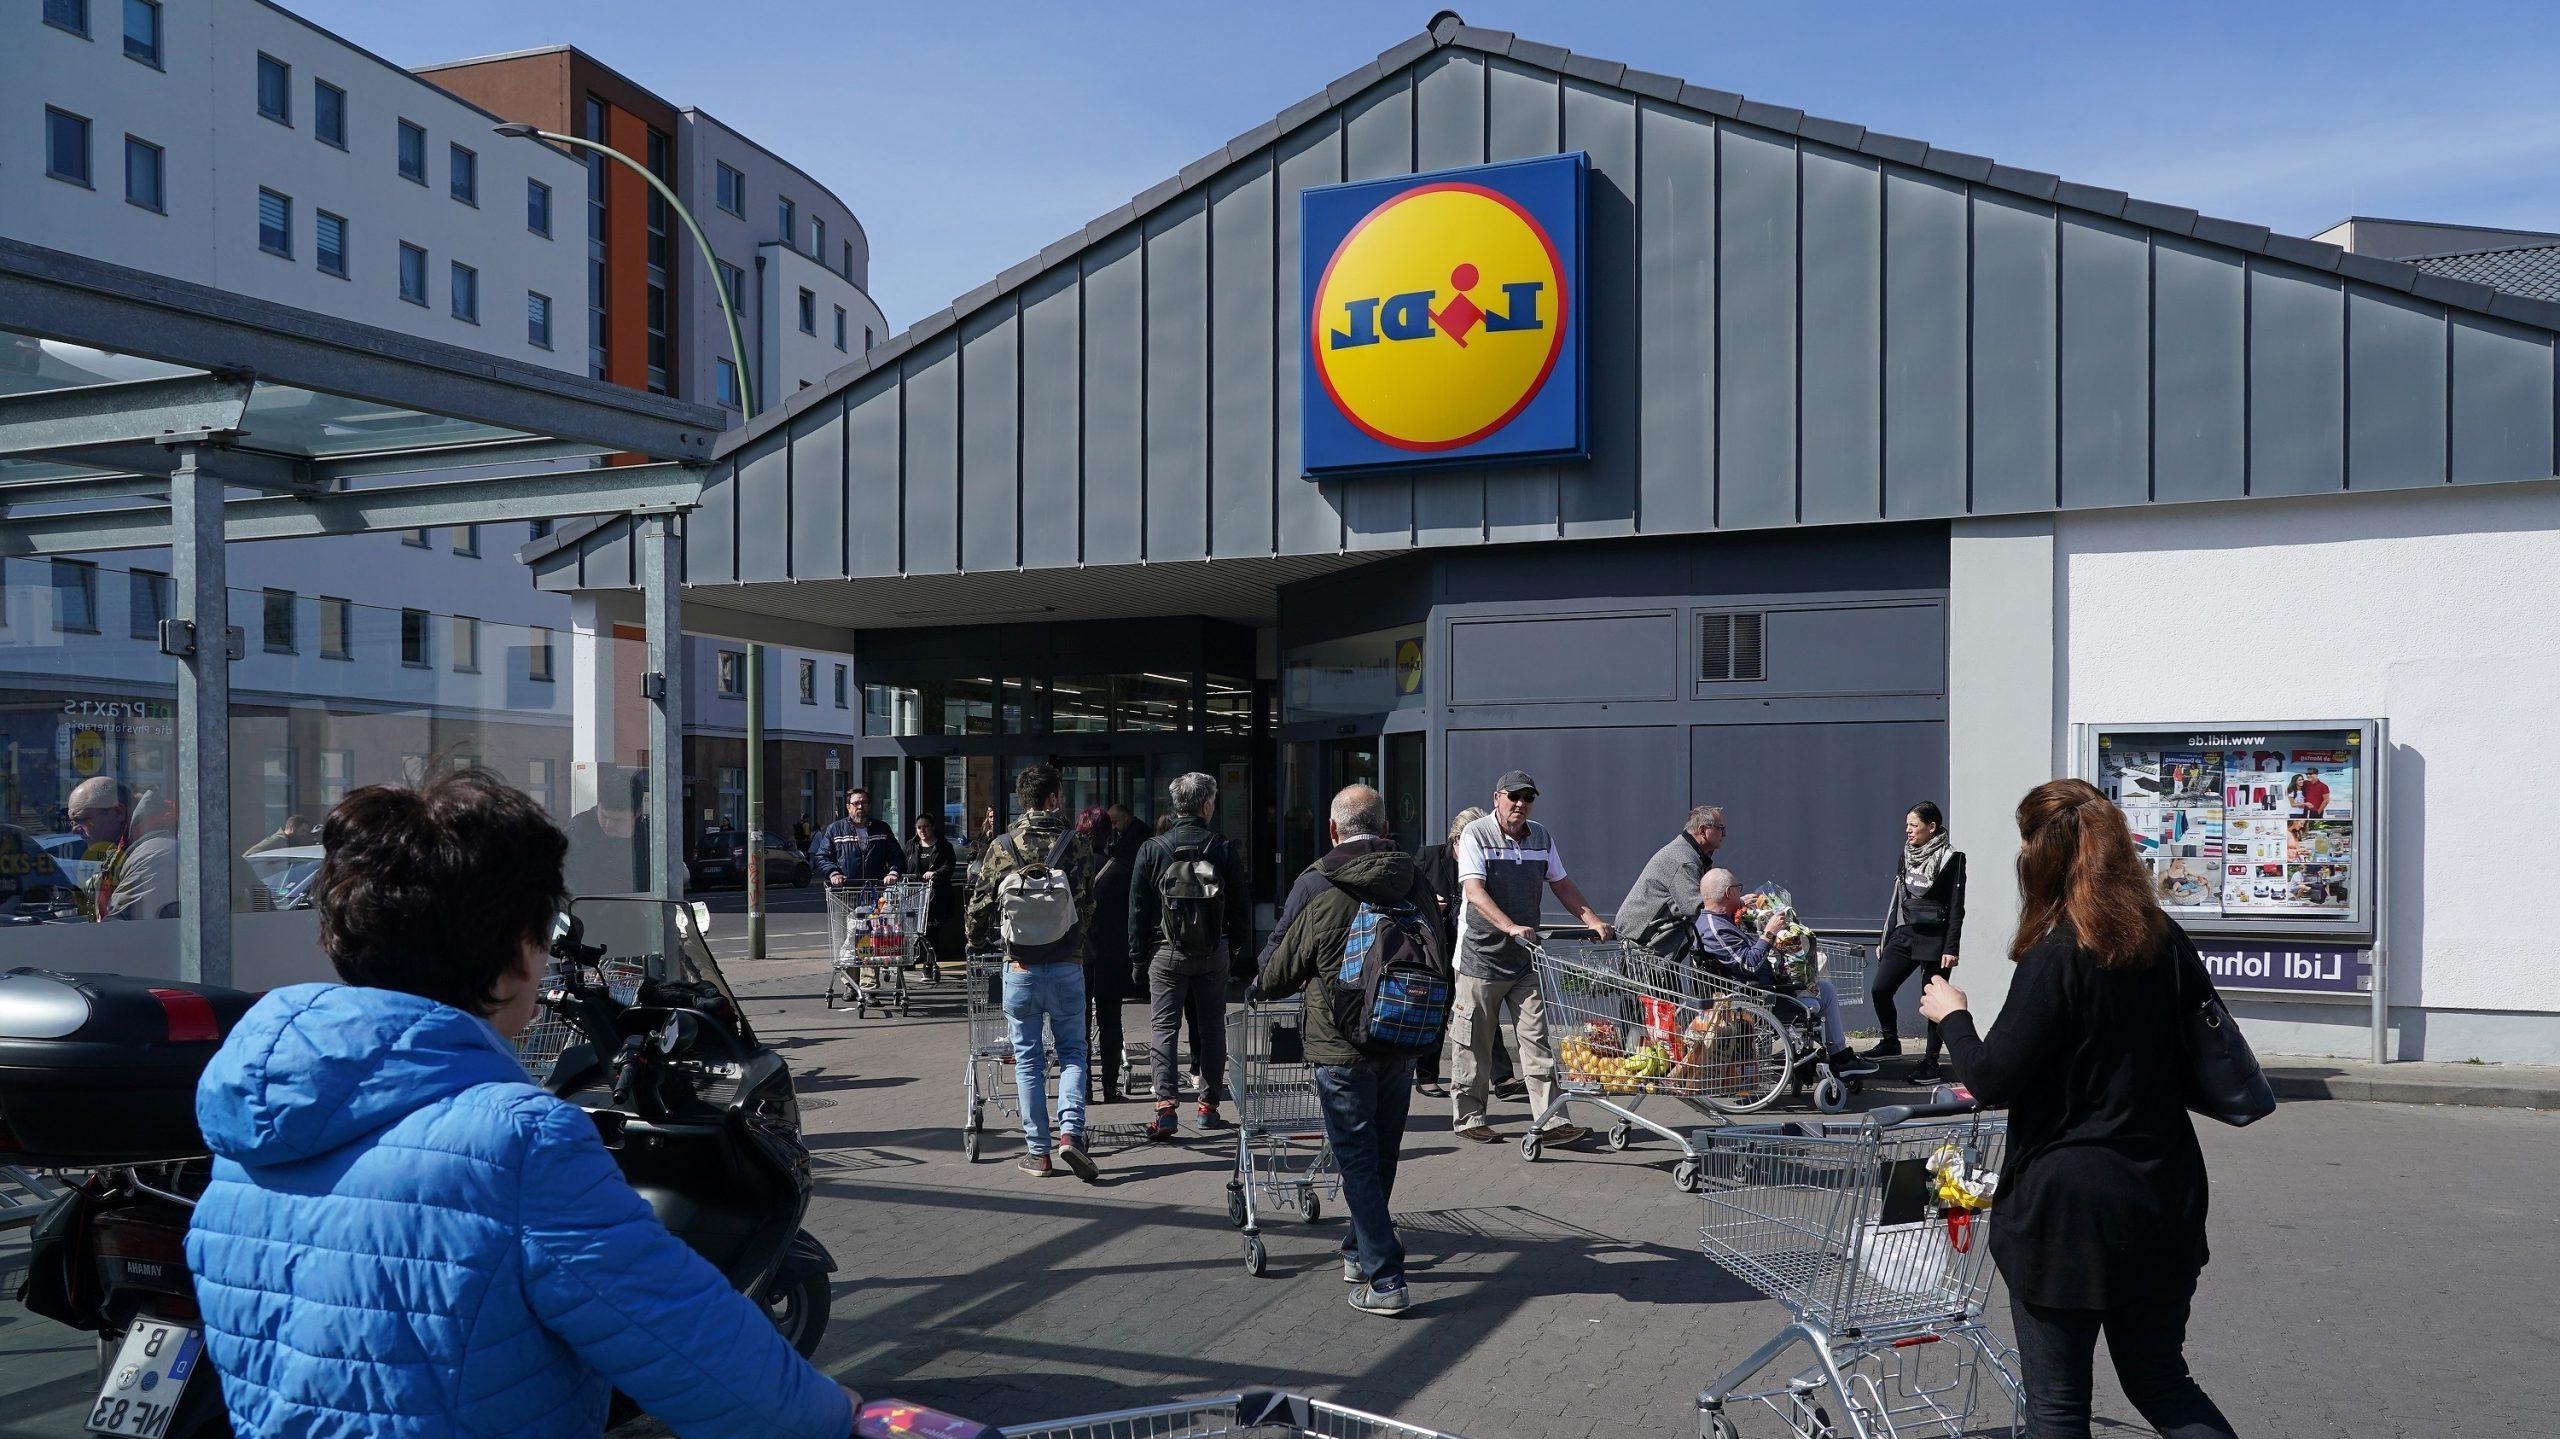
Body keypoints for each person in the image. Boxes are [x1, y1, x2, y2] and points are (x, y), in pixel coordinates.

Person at [184, 769, 860, 1439]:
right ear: (513, 954)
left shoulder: (251, 1127)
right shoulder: (519, 1142)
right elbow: (707, 1356)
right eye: (542, 932)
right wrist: (841, 1416)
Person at [1917, 778, 2238, 1439]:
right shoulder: (2164, 938)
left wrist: (1953, 1017)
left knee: (2058, 1408)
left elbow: (1992, 1076)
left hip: (2068, 1214)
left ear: (2041, 855)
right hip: (2164, 1190)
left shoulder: (2059, 953)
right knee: (2161, 1380)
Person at [1255, 784, 1439, 1318]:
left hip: (1340, 1046)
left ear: (1333, 831)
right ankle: (1360, 1249)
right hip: (1404, 1035)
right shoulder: (1414, 879)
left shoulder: (1317, 884)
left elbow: (1276, 969)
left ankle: (1386, 1279)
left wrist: (1259, 986)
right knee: (1380, 1154)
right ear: (1385, 831)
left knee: (1356, 1159)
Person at [1449, 770, 1613, 1145]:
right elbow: (1474, 891)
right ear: (1497, 798)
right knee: (1473, 1041)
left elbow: (1561, 883)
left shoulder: (1540, 835)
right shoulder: (1477, 834)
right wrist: (1509, 926)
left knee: (1537, 1040)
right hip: (1482, 958)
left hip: (1525, 958)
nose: (1521, 804)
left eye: (1528, 798)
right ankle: (1470, 1117)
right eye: (1514, 797)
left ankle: (1552, 1122)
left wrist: (1592, 920)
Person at [967, 763, 1102, 1181]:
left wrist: (977, 939)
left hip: (1019, 967)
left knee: (1027, 1060)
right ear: (1053, 798)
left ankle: (1037, 1153)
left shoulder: (1002, 845)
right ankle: (1071, 1135)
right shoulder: (1076, 844)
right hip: (1066, 965)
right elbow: (1089, 906)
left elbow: (978, 906)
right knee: (1074, 1053)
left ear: (1023, 799)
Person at [1130, 772, 1252, 1141]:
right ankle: (1208, 1107)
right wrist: (1237, 949)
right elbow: (1241, 904)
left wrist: (1137, 958)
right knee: (1212, 1027)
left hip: (1165, 952)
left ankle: (1165, 1107)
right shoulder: (1222, 847)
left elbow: (1137, 910)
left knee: (1164, 1027)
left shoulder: (1152, 849)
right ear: (1206, 805)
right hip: (1214, 951)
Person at [1692, 870, 1875, 1079]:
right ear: (1728, 892)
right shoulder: (1716, 929)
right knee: (1823, 994)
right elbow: (1749, 964)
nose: (1740, 893)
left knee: (1825, 989)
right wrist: (1770, 932)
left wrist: (1745, 906)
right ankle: (1840, 1058)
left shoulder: (1715, 920)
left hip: (1759, 991)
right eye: (1737, 889)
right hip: (1760, 998)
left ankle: (1840, 1055)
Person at [1868, 801, 1969, 1081]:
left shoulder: (1952, 859)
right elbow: (1897, 900)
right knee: (1880, 988)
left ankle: (1931, 1063)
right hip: (1906, 933)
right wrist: (1886, 937)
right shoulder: (1906, 854)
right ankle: (1890, 1041)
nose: (1908, 831)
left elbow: (1957, 907)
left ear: (1931, 827)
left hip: (1936, 937)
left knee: (1933, 1000)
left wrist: (1951, 947)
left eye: (1914, 825)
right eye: (1907, 825)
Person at [1407, 806, 1486, 1099]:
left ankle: (1502, 1076)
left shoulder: (1483, 860)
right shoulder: (1429, 856)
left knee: (1480, 1003)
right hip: (1435, 945)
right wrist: (1428, 900)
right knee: (1437, 1009)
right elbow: (1406, 890)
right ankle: (1426, 1075)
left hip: (1470, 942)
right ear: (1455, 839)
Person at [1081, 805, 1140, 1103]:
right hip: (1113, 954)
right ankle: (1109, 1087)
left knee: (1079, 1022)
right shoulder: (1122, 869)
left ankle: (1084, 1089)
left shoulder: (1072, 870)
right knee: (1110, 1020)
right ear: (1109, 832)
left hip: (1078, 955)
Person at [1614, 804, 1726, 952]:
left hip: (1650, 935)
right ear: (1703, 830)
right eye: (1720, 828)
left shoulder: (1693, 854)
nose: (1724, 834)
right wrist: (1736, 904)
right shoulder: (1683, 860)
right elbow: (1695, 907)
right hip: (1641, 936)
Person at [67, 776, 176, 922]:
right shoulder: (125, 851)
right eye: (72, 822)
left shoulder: (153, 854)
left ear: (118, 812)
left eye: (81, 819)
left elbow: (119, 931)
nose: (74, 830)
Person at [561, 764, 652, 897]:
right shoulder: (579, 831)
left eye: (618, 820)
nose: (608, 825)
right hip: (588, 909)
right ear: (598, 805)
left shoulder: (648, 834)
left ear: (637, 813)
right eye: (603, 815)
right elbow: (569, 883)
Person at [906, 810, 964, 981]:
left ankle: (929, 964)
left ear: (932, 828)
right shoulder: (911, 845)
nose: (922, 831)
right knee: (914, 930)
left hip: (936, 895)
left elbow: (949, 867)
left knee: (931, 930)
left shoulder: (943, 846)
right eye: (919, 827)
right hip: (915, 894)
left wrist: (935, 873)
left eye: (925, 827)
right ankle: (914, 957)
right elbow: (904, 866)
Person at [811, 788, 901, 887]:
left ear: (869, 805)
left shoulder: (882, 828)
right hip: (846, 891)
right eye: (856, 803)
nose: (860, 806)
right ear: (848, 807)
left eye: (864, 802)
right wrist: (834, 873)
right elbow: (822, 857)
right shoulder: (835, 829)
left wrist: (893, 872)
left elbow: (897, 855)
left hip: (876, 890)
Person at [244, 813, 315, 855]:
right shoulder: (276, 841)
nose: (304, 834)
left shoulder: (291, 842)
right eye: (302, 830)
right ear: (292, 828)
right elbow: (248, 855)